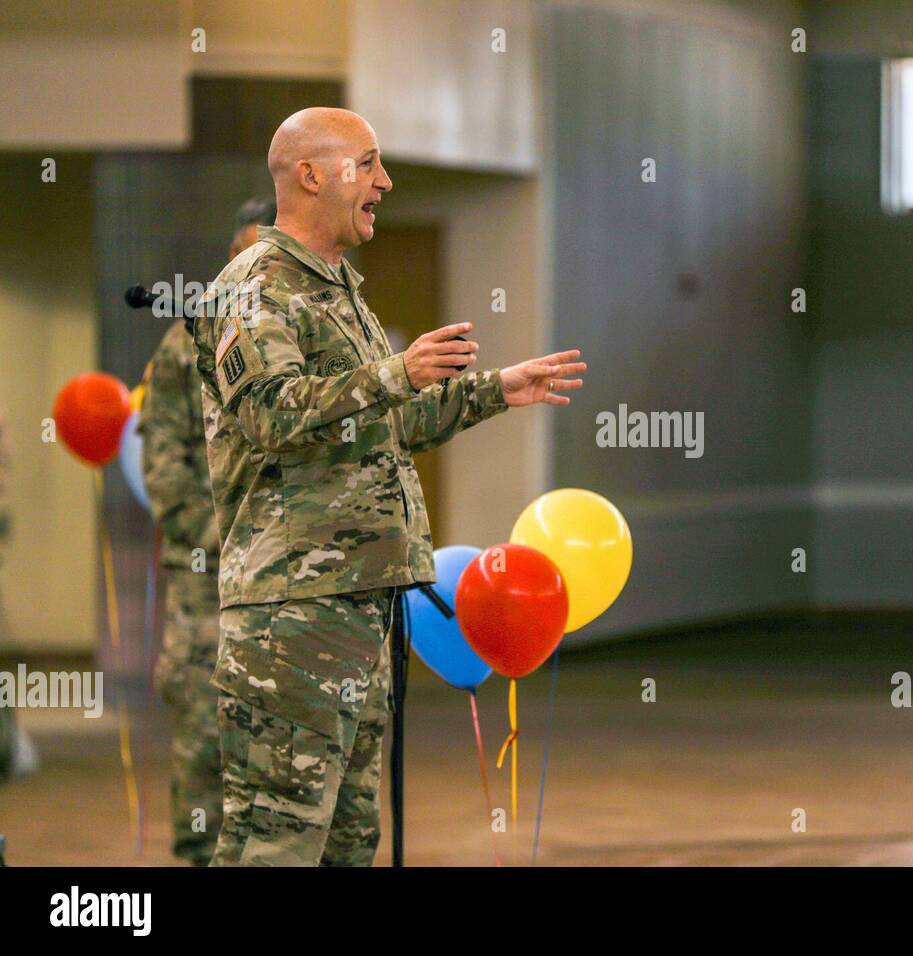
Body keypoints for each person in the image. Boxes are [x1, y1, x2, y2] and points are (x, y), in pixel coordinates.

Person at [192, 107, 585, 866]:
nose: (385, 182)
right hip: (292, 615)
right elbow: (272, 414)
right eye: (367, 164)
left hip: (358, 605)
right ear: (311, 174)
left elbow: (386, 421)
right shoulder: (252, 289)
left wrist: (496, 389)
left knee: (348, 839)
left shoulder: (338, 288)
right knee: (275, 839)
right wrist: (392, 372)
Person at [138, 197, 276, 864]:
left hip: (286, 578)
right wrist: (224, 537)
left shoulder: (302, 338)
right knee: (203, 722)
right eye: (246, 257)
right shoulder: (184, 342)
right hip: (206, 578)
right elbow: (163, 460)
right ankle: (198, 852)